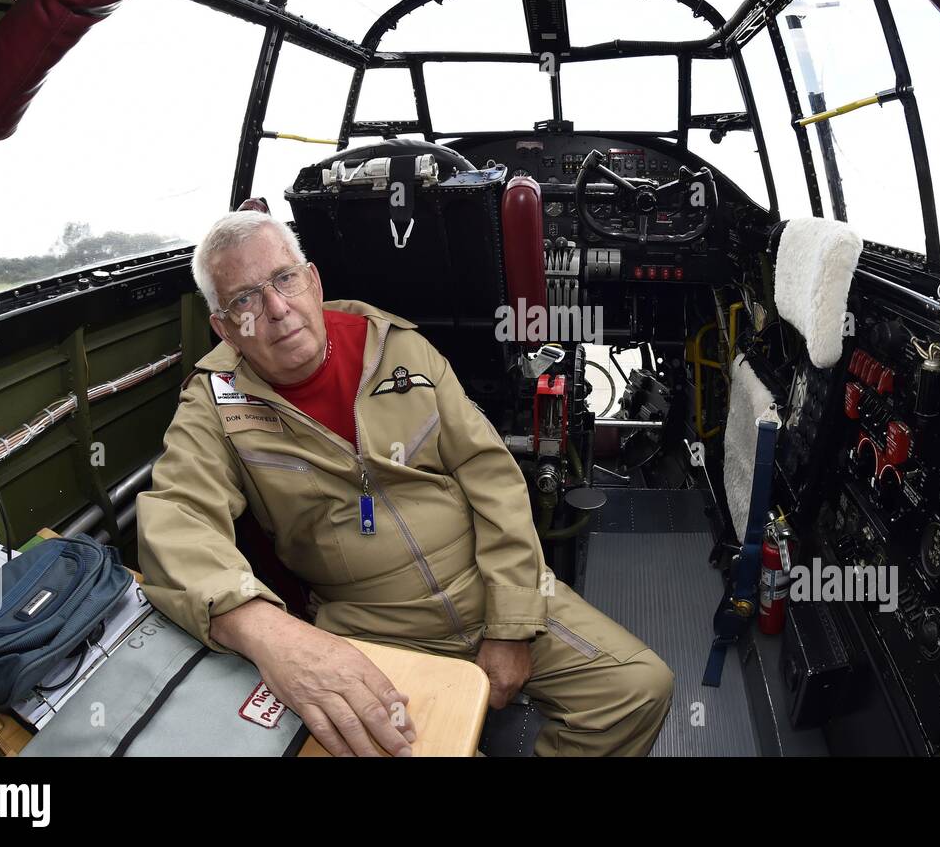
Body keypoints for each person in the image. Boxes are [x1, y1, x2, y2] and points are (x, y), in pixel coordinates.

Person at [136, 207, 674, 756]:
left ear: (313, 280)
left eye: (284, 278)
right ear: (224, 327)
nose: (276, 309)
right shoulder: (214, 403)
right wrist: (262, 628)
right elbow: (176, 517)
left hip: (484, 582)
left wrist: (511, 623)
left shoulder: (395, 346)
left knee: (637, 690)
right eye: (245, 299)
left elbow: (491, 476)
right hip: (371, 627)